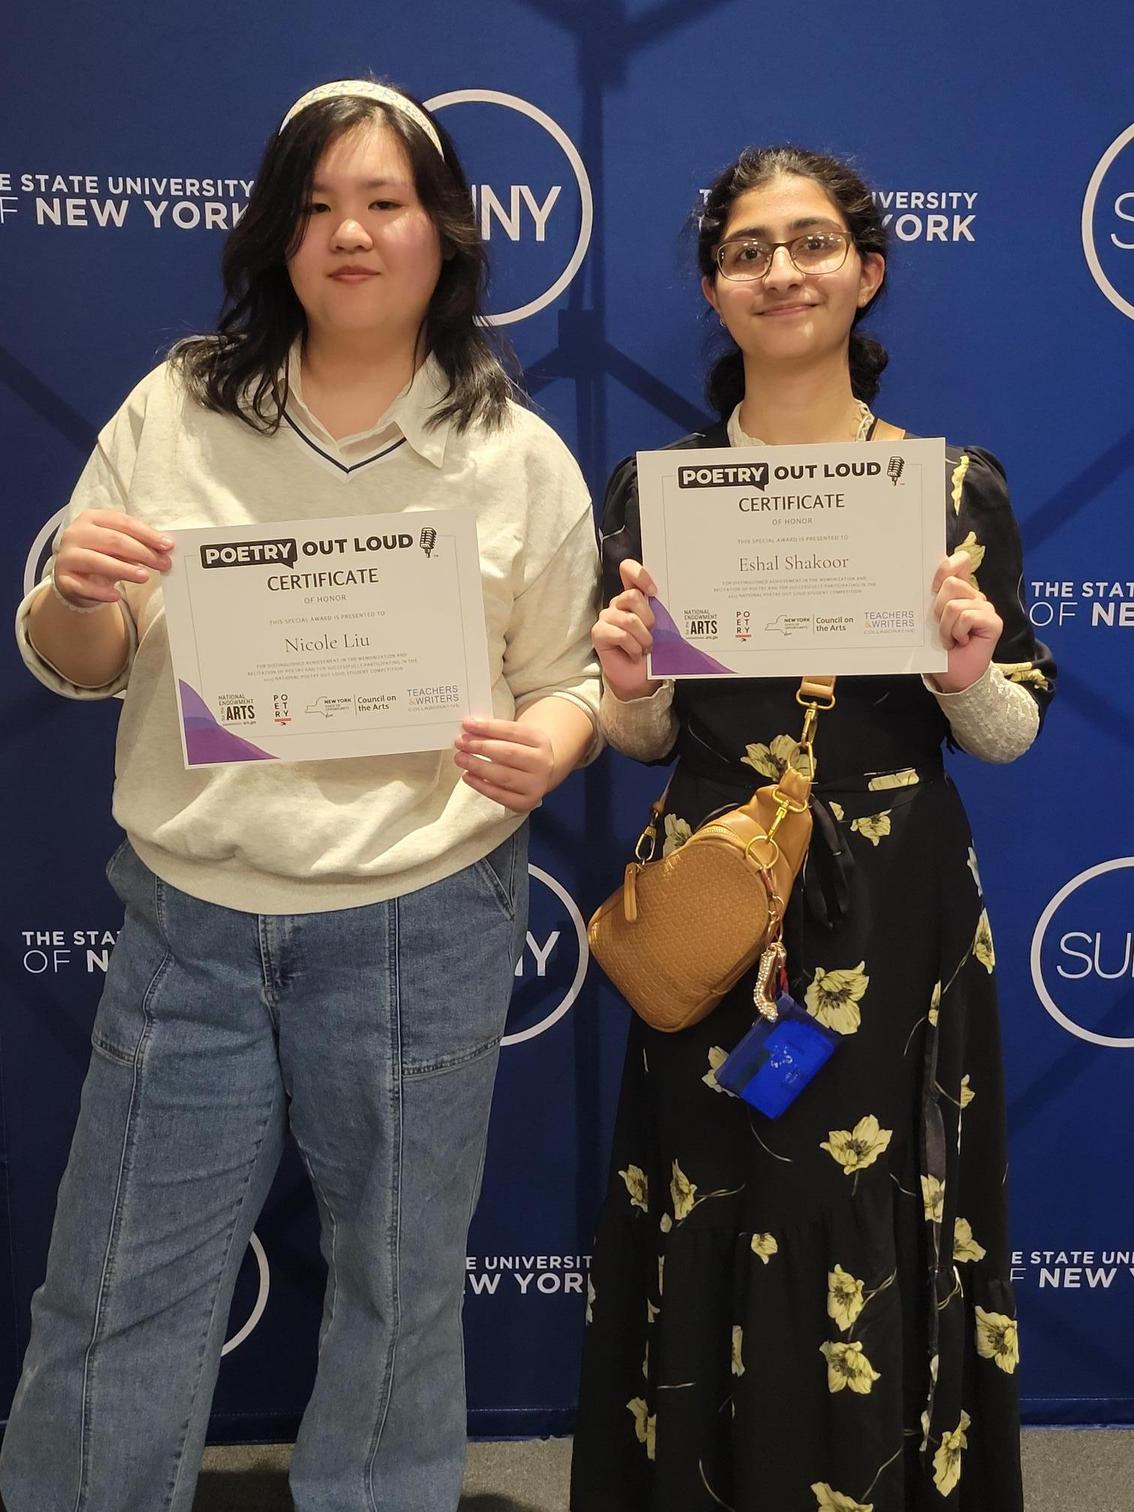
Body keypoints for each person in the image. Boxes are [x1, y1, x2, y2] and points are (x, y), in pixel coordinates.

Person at [3, 79, 600, 1512]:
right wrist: (77, 592)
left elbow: (573, 676)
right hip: (195, 925)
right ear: (277, 234)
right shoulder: (180, 408)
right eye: (319, 206)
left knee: (398, 1300)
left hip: (424, 918)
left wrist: (560, 743)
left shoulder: (514, 454)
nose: (350, 234)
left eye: (383, 203)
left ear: (444, 233)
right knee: (116, 1289)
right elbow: (79, 656)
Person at [571, 145, 1053, 1512]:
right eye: (745, 251)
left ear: (865, 272)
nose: (779, 272)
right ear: (715, 291)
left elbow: (1012, 729)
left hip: (894, 919)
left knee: (873, 1201)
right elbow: (644, 741)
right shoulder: (650, 497)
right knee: (720, 1184)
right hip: (723, 908)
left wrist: (963, 673)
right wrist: (624, 687)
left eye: (809, 243)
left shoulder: (954, 491)